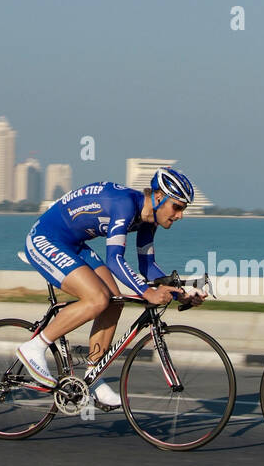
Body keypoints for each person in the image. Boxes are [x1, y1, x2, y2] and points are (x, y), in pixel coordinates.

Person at [16, 168, 200, 406]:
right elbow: (114, 259)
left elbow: (148, 266)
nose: (180, 215)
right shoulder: (125, 205)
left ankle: (93, 378)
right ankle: (34, 348)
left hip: (73, 244)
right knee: (97, 299)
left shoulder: (148, 219)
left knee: (115, 301)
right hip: (46, 239)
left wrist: (181, 293)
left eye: (183, 209)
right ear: (158, 198)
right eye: (177, 207)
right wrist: (147, 292)